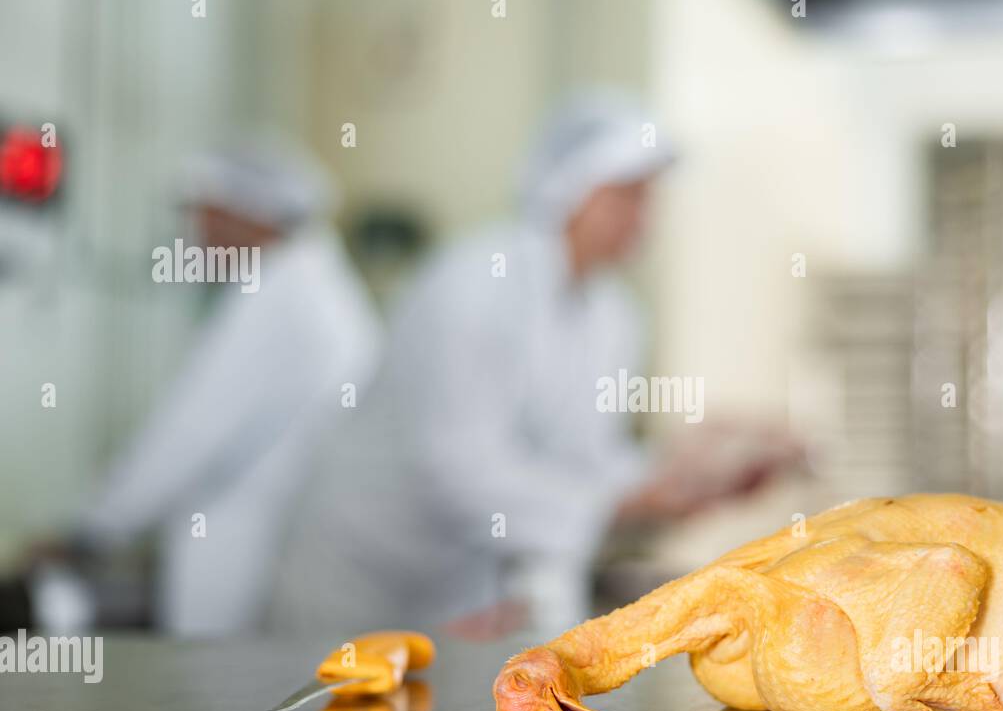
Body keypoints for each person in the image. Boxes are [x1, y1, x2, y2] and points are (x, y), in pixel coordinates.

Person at [270, 93, 798, 638]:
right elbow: (459, 467)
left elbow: (582, 461)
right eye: (626, 195)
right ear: (565, 188)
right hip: (362, 572)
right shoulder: (475, 283)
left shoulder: (613, 315)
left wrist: (686, 482)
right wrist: (633, 501)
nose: (644, 215)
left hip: (458, 588)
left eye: (649, 197)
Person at [56, 140, 381, 636]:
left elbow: (189, 432)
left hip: (246, 548)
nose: (197, 236)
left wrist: (94, 528)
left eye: (207, 216)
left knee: (218, 702)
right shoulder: (314, 283)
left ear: (252, 213)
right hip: (281, 540)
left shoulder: (279, 295)